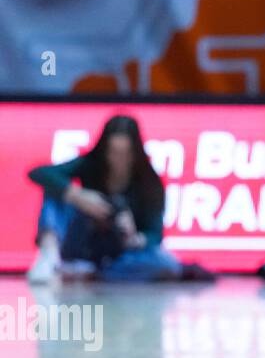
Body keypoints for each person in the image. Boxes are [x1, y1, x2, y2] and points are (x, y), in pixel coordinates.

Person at [27, 114, 182, 283]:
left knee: (166, 263)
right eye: (114, 152)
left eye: (125, 153)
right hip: (83, 240)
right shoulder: (90, 165)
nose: (119, 160)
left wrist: (135, 237)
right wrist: (78, 195)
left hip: (120, 253)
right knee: (55, 191)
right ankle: (50, 256)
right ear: (105, 150)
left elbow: (155, 234)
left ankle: (91, 273)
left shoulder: (149, 182)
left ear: (135, 152)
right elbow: (39, 173)